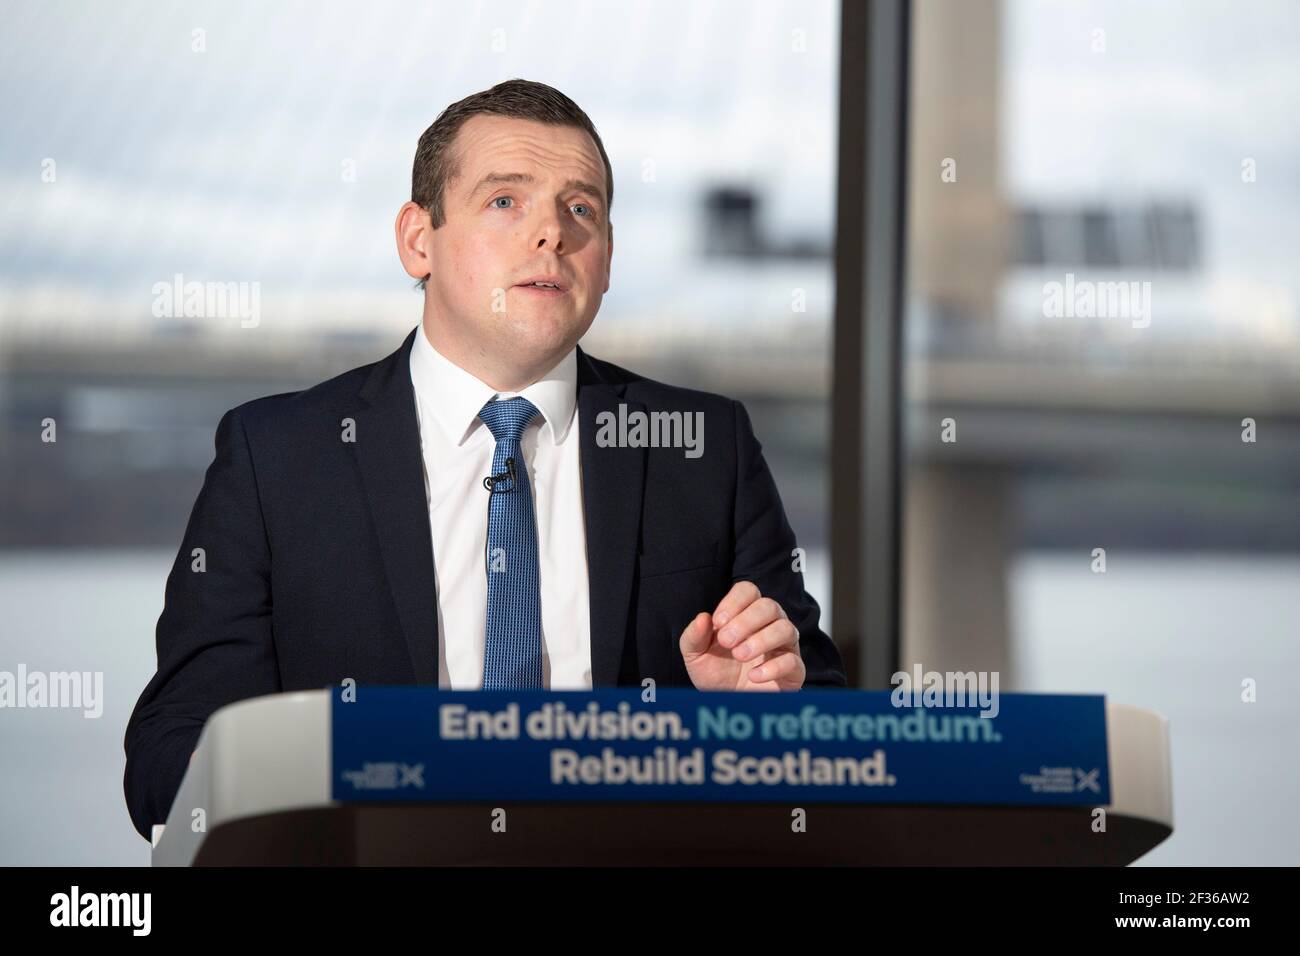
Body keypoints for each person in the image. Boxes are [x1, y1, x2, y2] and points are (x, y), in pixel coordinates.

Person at [123, 78, 845, 841]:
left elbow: (830, 737)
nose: (552, 235)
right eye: (506, 200)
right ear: (417, 239)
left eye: (581, 209)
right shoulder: (276, 458)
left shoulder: (703, 446)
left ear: (606, 257)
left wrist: (750, 724)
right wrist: (339, 779)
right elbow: (167, 766)